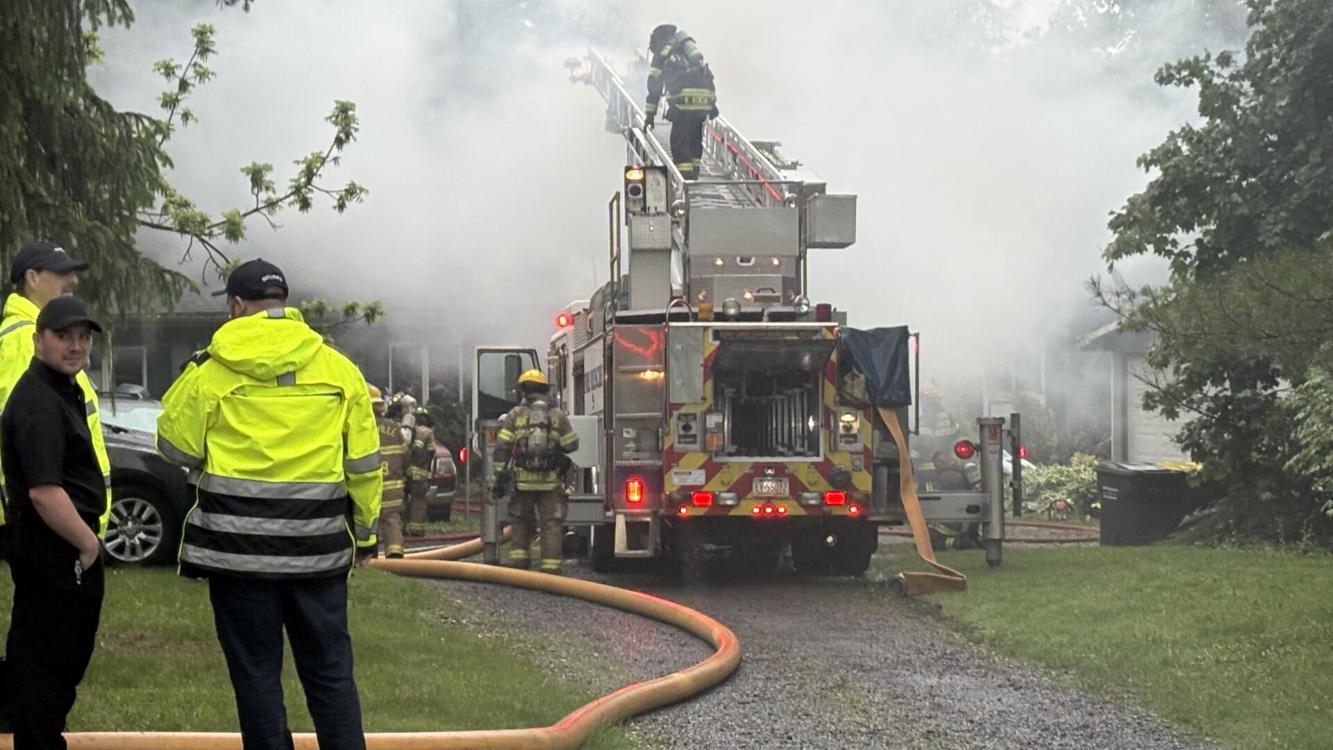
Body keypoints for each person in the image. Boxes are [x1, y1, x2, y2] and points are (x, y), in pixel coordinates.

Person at [156, 259, 381, 750]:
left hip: (237, 555)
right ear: (284, 303)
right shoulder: (338, 368)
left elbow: (174, 446)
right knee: (330, 675)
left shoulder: (211, 370)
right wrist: (365, 534)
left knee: (257, 676)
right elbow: (363, 464)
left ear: (236, 305)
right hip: (317, 554)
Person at [1, 296, 110, 749]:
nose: (75, 345)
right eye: (63, 335)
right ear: (37, 339)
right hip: (55, 551)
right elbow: (45, 493)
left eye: (82, 336)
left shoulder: (61, 389)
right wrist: (88, 545)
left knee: (47, 660)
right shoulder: (39, 403)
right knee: (50, 663)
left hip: (54, 550)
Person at [0, 241, 111, 530]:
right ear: (32, 278)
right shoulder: (28, 340)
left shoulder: (33, 337)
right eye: (62, 272)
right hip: (53, 518)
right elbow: (29, 440)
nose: (73, 280)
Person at [491, 369, 578, 574]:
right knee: (551, 524)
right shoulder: (556, 415)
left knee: (520, 521)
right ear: (544, 389)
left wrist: (500, 475)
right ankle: (550, 568)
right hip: (550, 482)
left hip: (522, 481)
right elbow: (572, 444)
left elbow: (502, 447)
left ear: (523, 390)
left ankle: (520, 566)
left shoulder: (515, 415)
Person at [643, 24, 718, 180]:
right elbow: (705, 74)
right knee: (695, 136)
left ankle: (685, 176)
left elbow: (654, 88)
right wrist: (712, 104)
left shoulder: (661, 54)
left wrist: (650, 115)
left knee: (679, 139)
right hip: (703, 102)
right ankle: (695, 170)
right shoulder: (687, 49)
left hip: (682, 102)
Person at [370, 385, 407, 558]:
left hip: (369, 488)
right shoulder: (395, 429)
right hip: (393, 488)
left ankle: (370, 557)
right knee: (392, 520)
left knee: (368, 522)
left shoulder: (359, 428)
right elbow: (406, 456)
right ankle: (395, 554)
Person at [404, 406, 438, 534]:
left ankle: (401, 529)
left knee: (402, 501)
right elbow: (431, 451)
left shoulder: (407, 430)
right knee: (418, 503)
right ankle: (417, 531)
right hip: (419, 476)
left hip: (404, 473)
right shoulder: (428, 432)